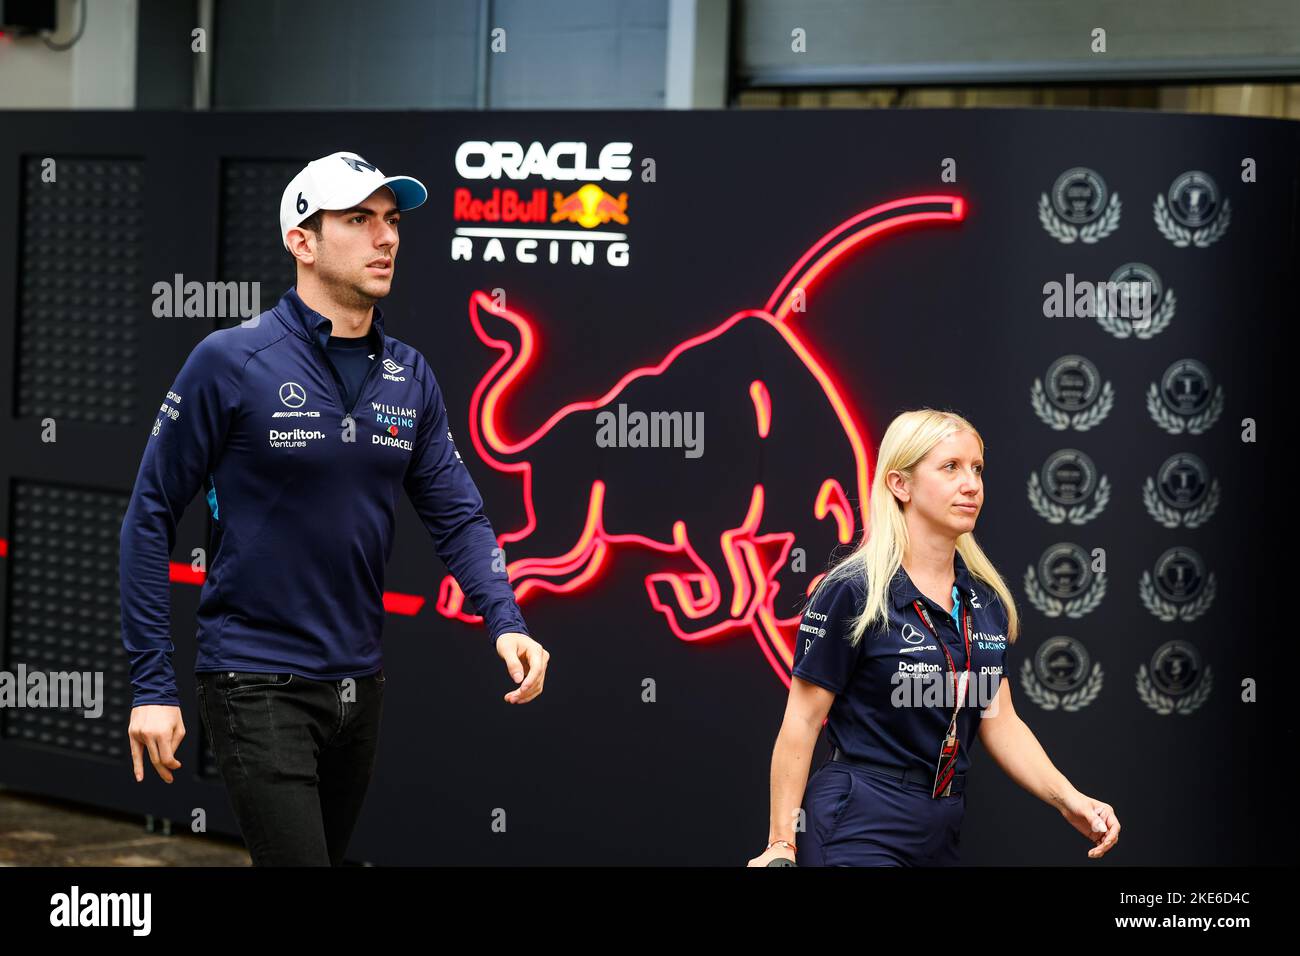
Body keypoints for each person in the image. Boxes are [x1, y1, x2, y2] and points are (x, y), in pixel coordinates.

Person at [119, 150, 550, 866]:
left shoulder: (409, 374)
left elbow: (458, 516)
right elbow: (149, 517)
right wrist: (152, 686)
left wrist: (505, 620)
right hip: (254, 680)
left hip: (359, 687)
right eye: (359, 220)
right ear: (303, 241)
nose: (387, 238)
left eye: (390, 221)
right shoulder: (232, 361)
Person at [748, 408, 1119, 866]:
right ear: (899, 485)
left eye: (977, 469)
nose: (972, 484)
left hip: (942, 823)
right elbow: (802, 722)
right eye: (950, 467)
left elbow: (999, 720)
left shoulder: (984, 601)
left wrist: (1071, 799)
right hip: (860, 817)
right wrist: (781, 843)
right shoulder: (852, 591)